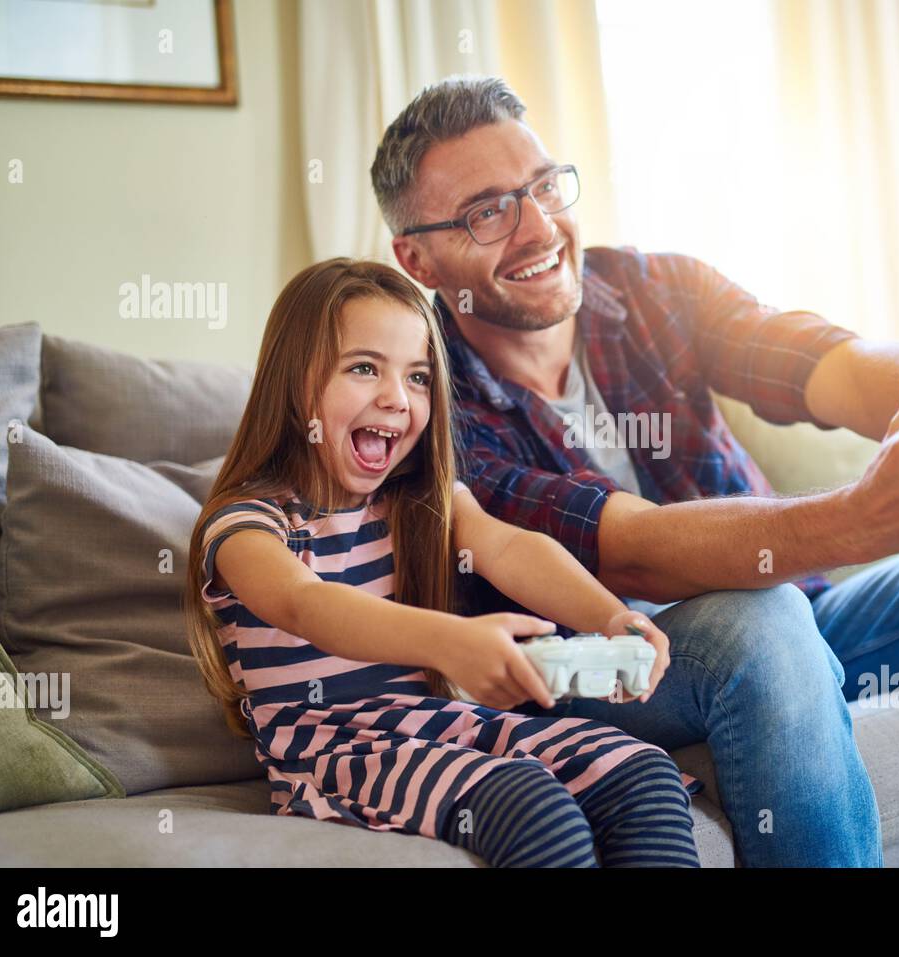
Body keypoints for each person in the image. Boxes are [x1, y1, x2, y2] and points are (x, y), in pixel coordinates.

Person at [370, 75, 899, 867]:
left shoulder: (650, 287)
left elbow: (825, 364)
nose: (536, 228)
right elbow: (627, 547)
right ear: (415, 256)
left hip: (796, 631)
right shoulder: (419, 397)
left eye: (543, 186)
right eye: (487, 211)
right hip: (608, 671)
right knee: (758, 618)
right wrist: (857, 517)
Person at [183, 257, 702, 868]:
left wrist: (614, 619)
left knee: (643, 772)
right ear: (293, 384)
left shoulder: (417, 500)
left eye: (419, 378)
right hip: (335, 751)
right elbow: (306, 602)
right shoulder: (247, 523)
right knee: (534, 807)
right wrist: (450, 642)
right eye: (364, 368)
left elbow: (509, 547)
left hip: (438, 722)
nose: (396, 398)